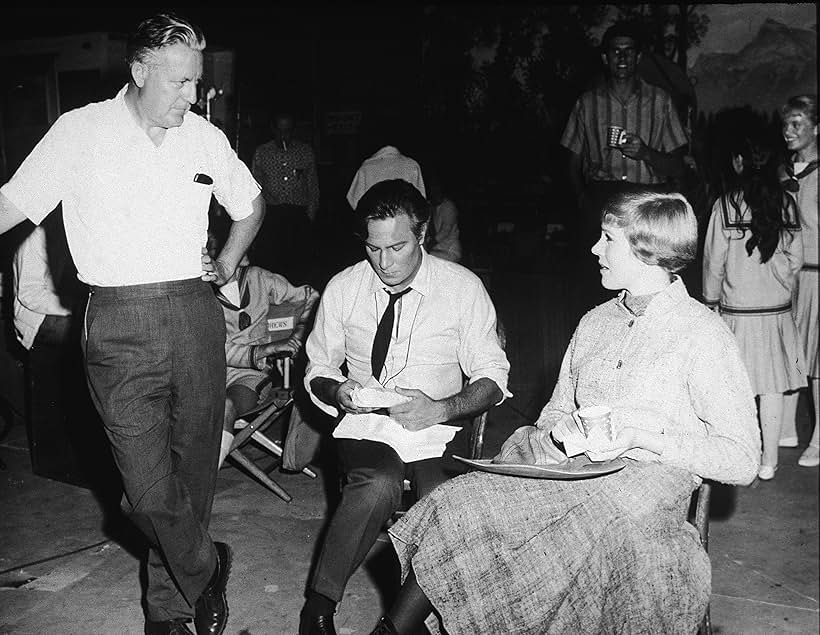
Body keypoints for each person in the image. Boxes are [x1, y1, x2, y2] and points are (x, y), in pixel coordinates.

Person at [370, 191, 760, 635]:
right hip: (570, 474)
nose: (594, 249)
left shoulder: (702, 334)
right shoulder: (596, 322)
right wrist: (560, 438)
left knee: (574, 540)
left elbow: (742, 459)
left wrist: (642, 437)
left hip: (645, 487)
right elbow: (555, 411)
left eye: (607, 239)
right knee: (459, 504)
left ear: (647, 249)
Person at [0, 13, 265, 635]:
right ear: (139, 70)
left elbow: (249, 205)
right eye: (178, 82)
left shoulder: (204, 138)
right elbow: (10, 205)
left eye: (197, 82)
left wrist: (225, 261)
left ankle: (169, 615)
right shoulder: (80, 131)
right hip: (116, 321)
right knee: (145, 490)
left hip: (195, 315)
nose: (191, 96)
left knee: (193, 474)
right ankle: (207, 565)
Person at [299, 179, 510, 635]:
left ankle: (396, 627)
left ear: (423, 233)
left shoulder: (461, 287)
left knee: (445, 506)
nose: (385, 262)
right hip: (369, 427)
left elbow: (494, 378)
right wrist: (338, 392)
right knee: (376, 484)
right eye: (374, 249)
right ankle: (318, 606)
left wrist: (442, 407)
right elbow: (317, 364)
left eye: (397, 247)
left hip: (442, 428)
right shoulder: (346, 286)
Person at [703, 145, 804, 481]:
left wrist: (710, 300)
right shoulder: (786, 203)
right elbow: (796, 260)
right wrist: (779, 283)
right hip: (775, 311)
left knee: (737, 387)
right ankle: (769, 462)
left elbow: (713, 262)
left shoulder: (725, 205)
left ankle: (741, 454)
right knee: (773, 387)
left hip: (737, 312)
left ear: (738, 161)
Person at [561, 20, 688, 263]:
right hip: (601, 199)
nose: (622, 57)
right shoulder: (587, 103)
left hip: (646, 200)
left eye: (628, 50)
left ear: (638, 57)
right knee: (598, 275)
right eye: (615, 50)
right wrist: (582, 199)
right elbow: (571, 161)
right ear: (605, 57)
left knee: (646, 271)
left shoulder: (660, 101)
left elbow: (679, 165)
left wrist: (646, 154)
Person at [207, 230, 319, 469]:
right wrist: (265, 348)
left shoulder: (259, 279)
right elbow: (211, 348)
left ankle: (200, 487)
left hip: (248, 378)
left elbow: (311, 296)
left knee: (225, 405)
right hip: (205, 374)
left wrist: (298, 331)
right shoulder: (198, 294)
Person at [779, 95, 819, 468]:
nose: (788, 131)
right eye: (786, 124)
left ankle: (819, 439)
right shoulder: (782, 173)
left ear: (816, 128)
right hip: (787, 278)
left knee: (818, 360)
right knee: (790, 353)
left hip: (817, 277)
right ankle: (786, 428)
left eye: (797, 124)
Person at [251, 110, 320, 284]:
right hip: (272, 215)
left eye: (288, 130)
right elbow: (254, 187)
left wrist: (310, 215)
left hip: (297, 215)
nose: (284, 135)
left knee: (298, 265)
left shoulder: (304, 152)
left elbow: (312, 185)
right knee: (272, 265)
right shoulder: (262, 152)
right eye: (280, 130)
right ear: (273, 130)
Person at [346, 145, 426, 210]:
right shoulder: (412, 166)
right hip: (405, 224)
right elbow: (421, 203)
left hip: (374, 224)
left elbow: (354, 200)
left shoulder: (366, 168)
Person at [423, 172, 462, 263]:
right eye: (431, 188)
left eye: (435, 187)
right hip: (435, 250)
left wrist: (427, 248)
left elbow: (445, 232)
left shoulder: (449, 207)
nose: (433, 190)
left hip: (449, 251)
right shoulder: (431, 206)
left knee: (423, 258)